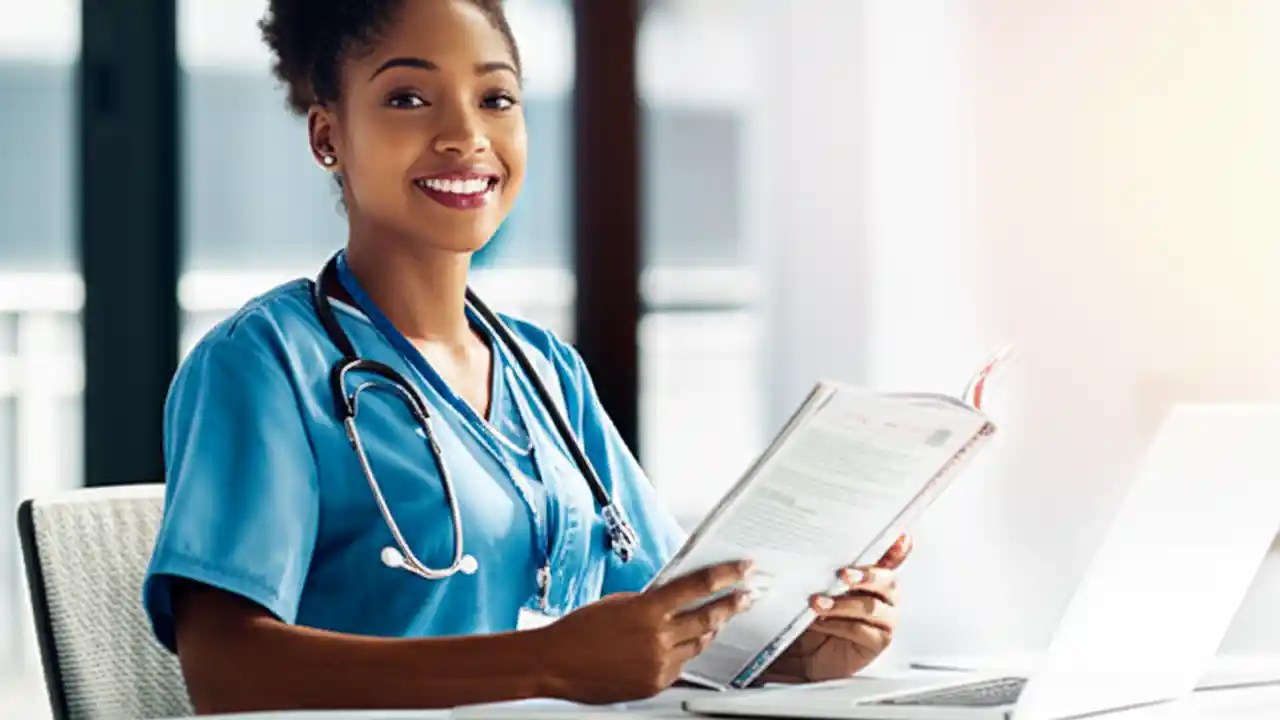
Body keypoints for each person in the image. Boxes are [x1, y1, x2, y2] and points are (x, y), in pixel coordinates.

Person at [141, 0, 913, 713]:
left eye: (495, 99)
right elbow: (225, 674)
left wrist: (803, 649)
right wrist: (544, 663)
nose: (464, 135)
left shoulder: (547, 374)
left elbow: (660, 629)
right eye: (408, 99)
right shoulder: (264, 363)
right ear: (327, 137)